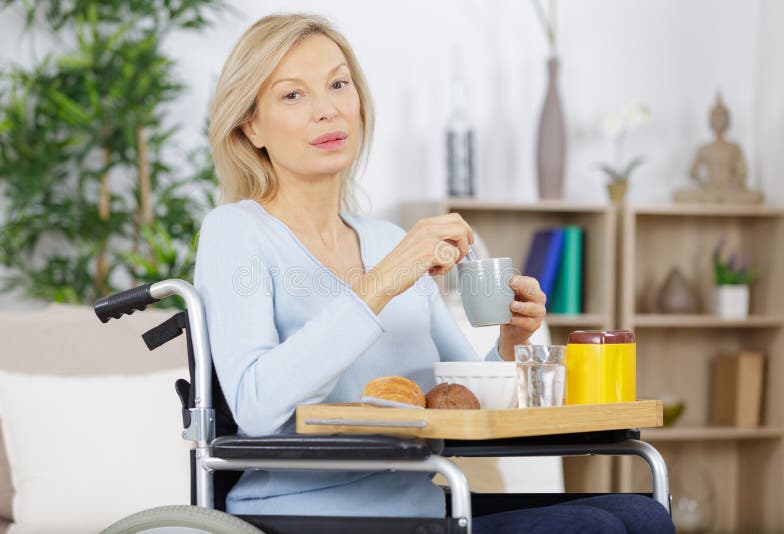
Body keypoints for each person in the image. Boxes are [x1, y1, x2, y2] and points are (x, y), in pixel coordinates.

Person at [194, 13, 674, 534]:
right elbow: (257, 408)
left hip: (423, 508)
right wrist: (384, 279)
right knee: (592, 529)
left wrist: (512, 341)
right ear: (251, 126)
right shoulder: (236, 232)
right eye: (293, 95)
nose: (327, 109)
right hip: (301, 515)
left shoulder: (385, 240)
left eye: (338, 84)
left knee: (638, 512)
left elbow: (464, 398)